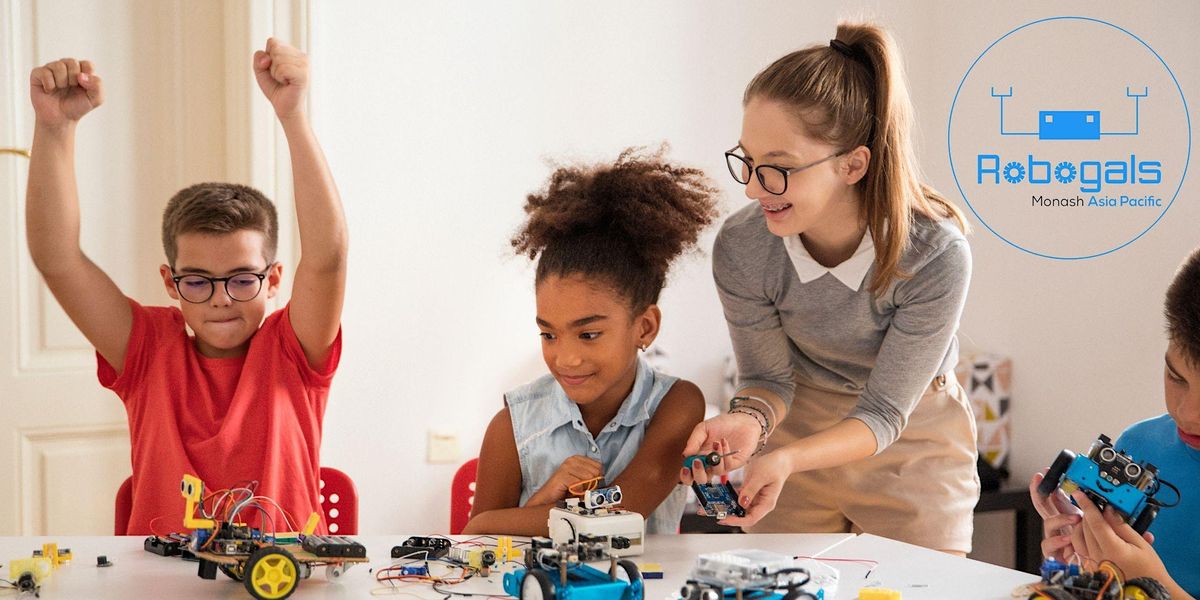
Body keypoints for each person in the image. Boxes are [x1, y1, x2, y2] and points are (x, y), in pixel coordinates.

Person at [25, 38, 348, 534]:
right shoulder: (148, 348)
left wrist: (294, 117)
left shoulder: (292, 350)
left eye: (242, 279)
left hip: (281, 579)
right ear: (170, 283)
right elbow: (57, 259)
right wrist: (55, 128)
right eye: (198, 281)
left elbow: (327, 258)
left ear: (274, 279)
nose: (220, 297)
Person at [682, 21, 978, 555]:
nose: (752, 187)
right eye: (747, 161)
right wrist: (748, 421)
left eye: (778, 168)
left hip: (911, 440)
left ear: (852, 164)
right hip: (795, 428)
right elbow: (768, 378)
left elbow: (886, 411)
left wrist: (789, 458)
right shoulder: (744, 246)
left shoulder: (934, 254)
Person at [463, 147, 718, 536]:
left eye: (589, 334)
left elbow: (625, 515)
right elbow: (475, 536)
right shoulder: (511, 426)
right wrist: (545, 497)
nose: (565, 357)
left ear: (645, 328)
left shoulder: (678, 405)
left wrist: (549, 510)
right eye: (548, 334)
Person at [1030, 247, 1200, 600]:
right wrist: (1076, 569)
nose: (1187, 414)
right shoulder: (1138, 446)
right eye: (1175, 377)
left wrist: (1155, 588)